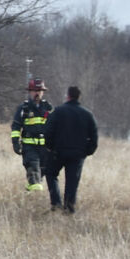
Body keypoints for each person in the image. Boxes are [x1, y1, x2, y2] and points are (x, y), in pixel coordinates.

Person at [41, 85, 99, 213]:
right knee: (72, 181)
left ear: (67, 96)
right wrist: (86, 152)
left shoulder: (58, 111)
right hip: (78, 154)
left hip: (58, 152)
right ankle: (69, 208)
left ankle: (56, 204)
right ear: (79, 97)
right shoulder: (87, 115)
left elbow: (48, 131)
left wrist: (50, 147)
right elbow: (94, 137)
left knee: (50, 173)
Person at [11, 78, 52, 194]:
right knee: (33, 170)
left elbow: (55, 127)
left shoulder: (48, 108)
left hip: (45, 148)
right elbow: (16, 126)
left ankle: (29, 193)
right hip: (29, 147)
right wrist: (15, 142)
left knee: (41, 172)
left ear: (43, 92)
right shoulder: (24, 108)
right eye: (34, 90)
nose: (37, 93)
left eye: (39, 90)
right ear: (30, 92)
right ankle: (36, 199)